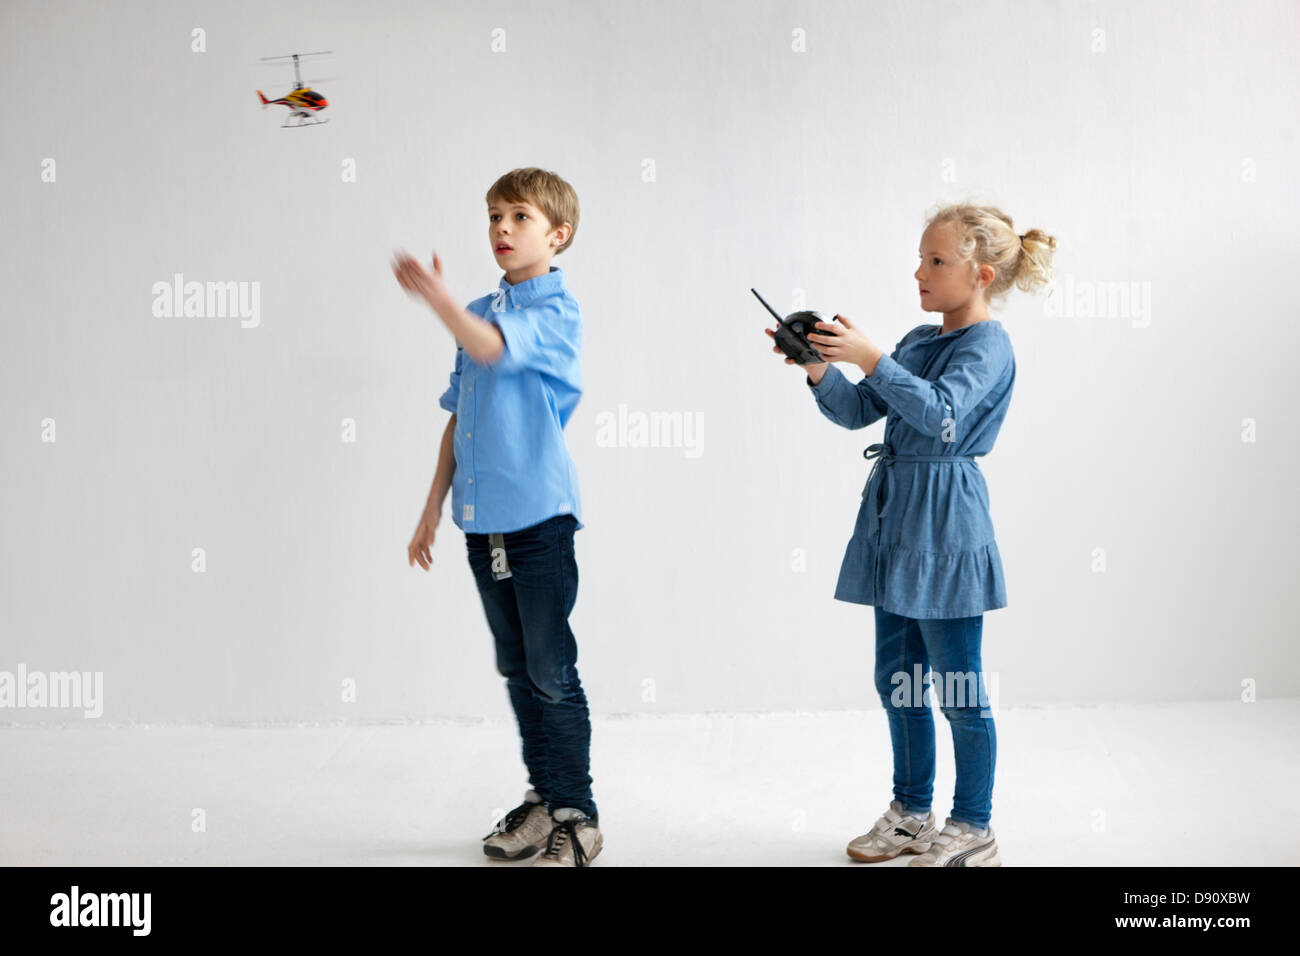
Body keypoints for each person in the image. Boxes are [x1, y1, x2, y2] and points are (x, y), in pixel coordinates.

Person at [767, 203, 1057, 867]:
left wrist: (872, 358)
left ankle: (974, 823)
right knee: (897, 677)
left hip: (948, 522)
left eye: (936, 261)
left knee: (958, 686)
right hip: (895, 521)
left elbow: (942, 417)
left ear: (981, 275)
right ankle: (910, 811)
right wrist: (817, 366)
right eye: (921, 257)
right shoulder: (918, 341)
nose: (919, 272)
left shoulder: (988, 346)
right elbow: (857, 411)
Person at [394, 167, 601, 867]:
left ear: (557, 234)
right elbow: (460, 417)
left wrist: (440, 299)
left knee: (551, 668)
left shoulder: (554, 311)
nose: (502, 230)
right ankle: (543, 801)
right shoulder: (479, 306)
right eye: (493, 217)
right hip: (482, 526)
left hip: (539, 520)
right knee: (516, 668)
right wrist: (431, 510)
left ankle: (578, 812)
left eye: (518, 217)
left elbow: (491, 348)